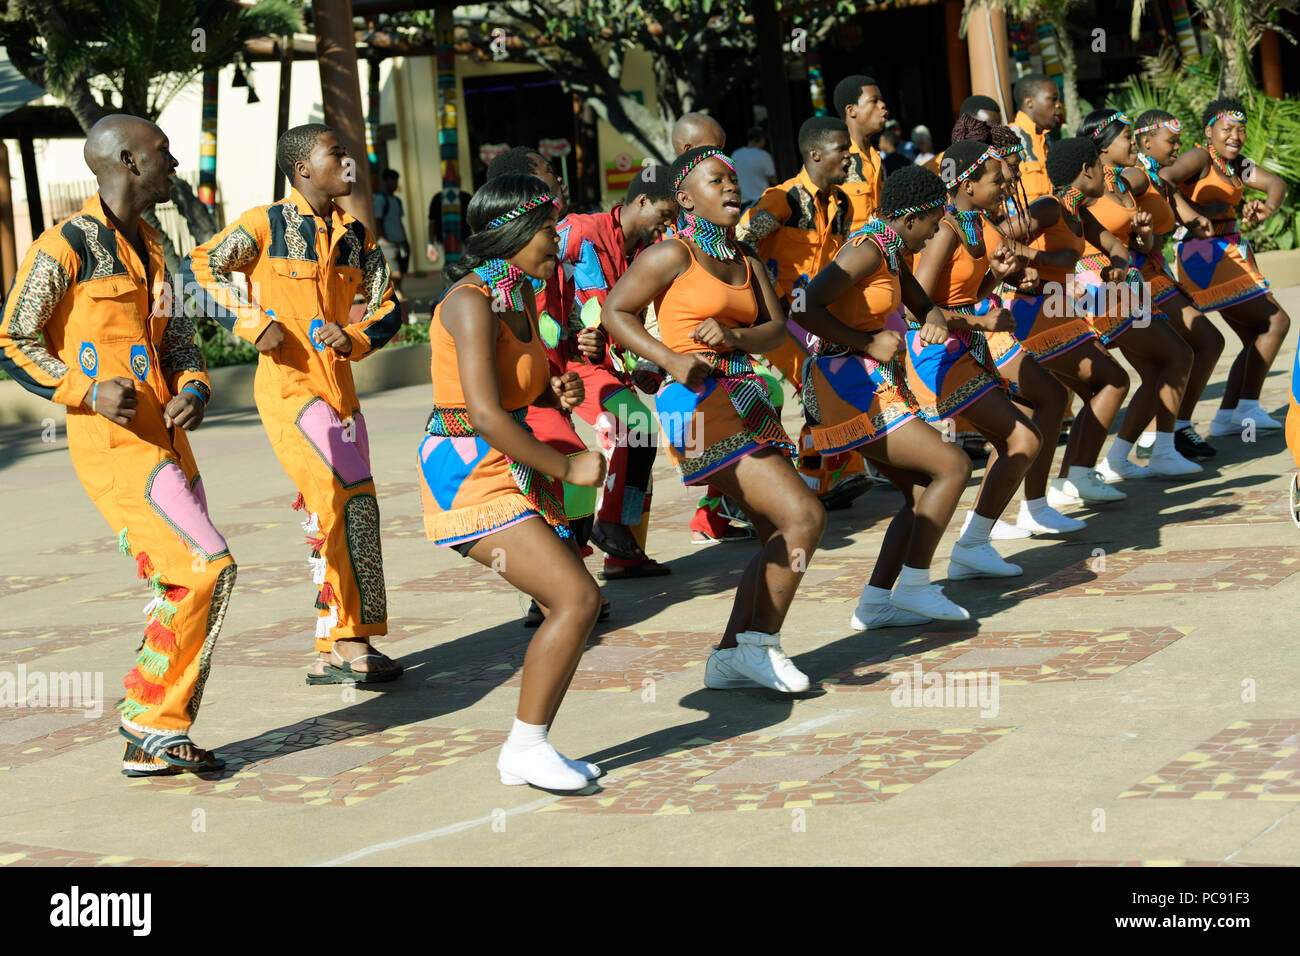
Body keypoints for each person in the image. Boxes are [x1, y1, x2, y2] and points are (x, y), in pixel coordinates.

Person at [0, 115, 236, 776]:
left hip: (169, 443)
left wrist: (195, 386)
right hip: (114, 449)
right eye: (164, 153)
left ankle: (145, 741)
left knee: (179, 582)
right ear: (128, 161)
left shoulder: (154, 243)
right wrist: (84, 387)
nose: (175, 164)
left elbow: (180, 337)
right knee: (205, 568)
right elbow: (14, 338)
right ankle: (153, 719)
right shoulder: (63, 245)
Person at [603, 146, 827, 693]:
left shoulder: (748, 259)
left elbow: (775, 330)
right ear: (684, 198)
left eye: (732, 179)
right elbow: (615, 311)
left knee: (780, 528)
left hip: (748, 398)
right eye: (714, 181)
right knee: (805, 517)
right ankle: (759, 645)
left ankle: (731, 654)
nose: (730, 187)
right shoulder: (671, 255)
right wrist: (669, 357)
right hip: (696, 405)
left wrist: (736, 337)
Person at [187, 123, 404, 684]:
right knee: (344, 501)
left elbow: (391, 306)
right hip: (290, 391)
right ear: (304, 168)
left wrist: (352, 338)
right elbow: (203, 265)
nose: (349, 162)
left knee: (339, 506)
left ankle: (331, 642)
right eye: (337, 154)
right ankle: (351, 642)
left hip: (342, 396)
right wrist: (251, 321)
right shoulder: (264, 225)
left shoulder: (356, 234)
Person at [419, 173, 608, 792]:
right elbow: (481, 411)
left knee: (575, 599)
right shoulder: (470, 301)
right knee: (576, 599)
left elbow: (514, 388)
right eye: (547, 227)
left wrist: (554, 387)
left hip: (504, 459)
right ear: (514, 232)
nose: (557, 238)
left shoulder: (518, 293)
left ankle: (530, 746)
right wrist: (566, 466)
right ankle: (524, 749)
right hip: (466, 467)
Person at [800, 164, 974, 626]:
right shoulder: (865, 250)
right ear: (911, 217)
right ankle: (916, 586)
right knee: (953, 465)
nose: (937, 230)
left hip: (873, 380)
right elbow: (804, 308)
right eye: (934, 222)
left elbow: (922, 304)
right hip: (845, 383)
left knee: (921, 491)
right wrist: (868, 342)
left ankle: (876, 603)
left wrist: (935, 318)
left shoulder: (892, 250)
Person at [910, 138, 1043, 578]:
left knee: (1020, 437)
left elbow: (966, 293)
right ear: (966, 183)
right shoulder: (946, 227)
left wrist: (994, 282)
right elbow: (918, 307)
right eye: (994, 180)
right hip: (936, 353)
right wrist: (983, 322)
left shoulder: (973, 223)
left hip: (963, 346)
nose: (1004, 185)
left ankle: (970, 545)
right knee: (1021, 439)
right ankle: (958, 552)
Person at [551, 167, 679, 578]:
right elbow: (540, 284)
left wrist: (647, 364)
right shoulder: (577, 230)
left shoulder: (651, 250)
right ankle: (603, 532)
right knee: (636, 427)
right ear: (641, 201)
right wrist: (572, 336)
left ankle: (623, 556)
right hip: (572, 366)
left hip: (613, 370)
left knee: (637, 452)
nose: (669, 220)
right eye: (665, 210)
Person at [737, 116, 871, 511]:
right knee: (814, 380)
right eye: (842, 150)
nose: (850, 158)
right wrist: (766, 301)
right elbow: (741, 244)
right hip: (778, 317)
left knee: (828, 382)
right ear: (815, 153)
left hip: (815, 315)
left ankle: (822, 478)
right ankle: (818, 481)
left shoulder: (842, 204)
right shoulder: (782, 199)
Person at [1063, 110, 1200, 486]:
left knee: (1157, 369)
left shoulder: (1124, 181)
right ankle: (1162, 451)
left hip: (1127, 280)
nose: (1132, 143)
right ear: (1104, 145)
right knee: (1178, 354)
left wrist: (1144, 235)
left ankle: (1119, 459)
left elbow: (1137, 242)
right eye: (1126, 137)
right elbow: (1069, 228)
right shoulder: (1085, 186)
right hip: (1100, 284)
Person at [1162, 96, 1292, 440]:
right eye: (1227, 128)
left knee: (1254, 337)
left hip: (1231, 251)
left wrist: (1268, 206)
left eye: (1241, 129)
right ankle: (1244, 407)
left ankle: (1228, 416)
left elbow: (1276, 184)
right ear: (1209, 131)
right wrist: (1188, 215)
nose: (1235, 135)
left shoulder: (1236, 164)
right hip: (1204, 253)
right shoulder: (1201, 157)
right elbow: (1162, 177)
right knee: (1277, 320)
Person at [1128, 110, 1224, 461]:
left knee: (1187, 352)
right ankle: (1163, 438)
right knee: (1196, 346)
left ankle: (1164, 435)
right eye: (1171, 141)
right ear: (1146, 141)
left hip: (1155, 272)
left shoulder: (1155, 178)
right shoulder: (1134, 177)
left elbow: (1184, 210)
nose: (1177, 147)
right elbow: (1108, 203)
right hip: (1136, 278)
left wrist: (1199, 221)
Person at [836, 74, 891, 232]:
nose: (882, 105)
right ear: (852, 110)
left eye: (881, 100)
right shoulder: (835, 160)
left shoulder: (876, 158)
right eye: (874, 101)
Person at [1010, 74, 1062, 201]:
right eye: (1053, 99)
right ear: (1029, 102)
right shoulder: (1008, 138)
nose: (1059, 105)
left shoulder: (1047, 140)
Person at [374, 168, 408, 296]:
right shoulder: (381, 200)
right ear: (385, 182)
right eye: (392, 180)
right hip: (388, 244)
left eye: (396, 180)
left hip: (399, 242)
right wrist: (383, 239)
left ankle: (399, 302)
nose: (394, 183)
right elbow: (377, 220)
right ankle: (400, 303)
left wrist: (404, 238)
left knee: (400, 277)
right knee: (395, 275)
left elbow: (399, 221)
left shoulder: (397, 201)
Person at [427, 185, 473, 271]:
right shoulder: (465, 196)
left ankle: (452, 284)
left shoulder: (438, 197)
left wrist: (430, 244)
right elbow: (432, 223)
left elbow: (432, 223)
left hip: (462, 238)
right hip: (446, 239)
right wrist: (430, 244)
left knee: (457, 266)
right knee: (457, 266)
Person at [732, 126, 778, 209]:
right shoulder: (763, 155)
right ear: (761, 139)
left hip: (742, 202)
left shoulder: (736, 154)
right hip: (761, 201)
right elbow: (772, 179)